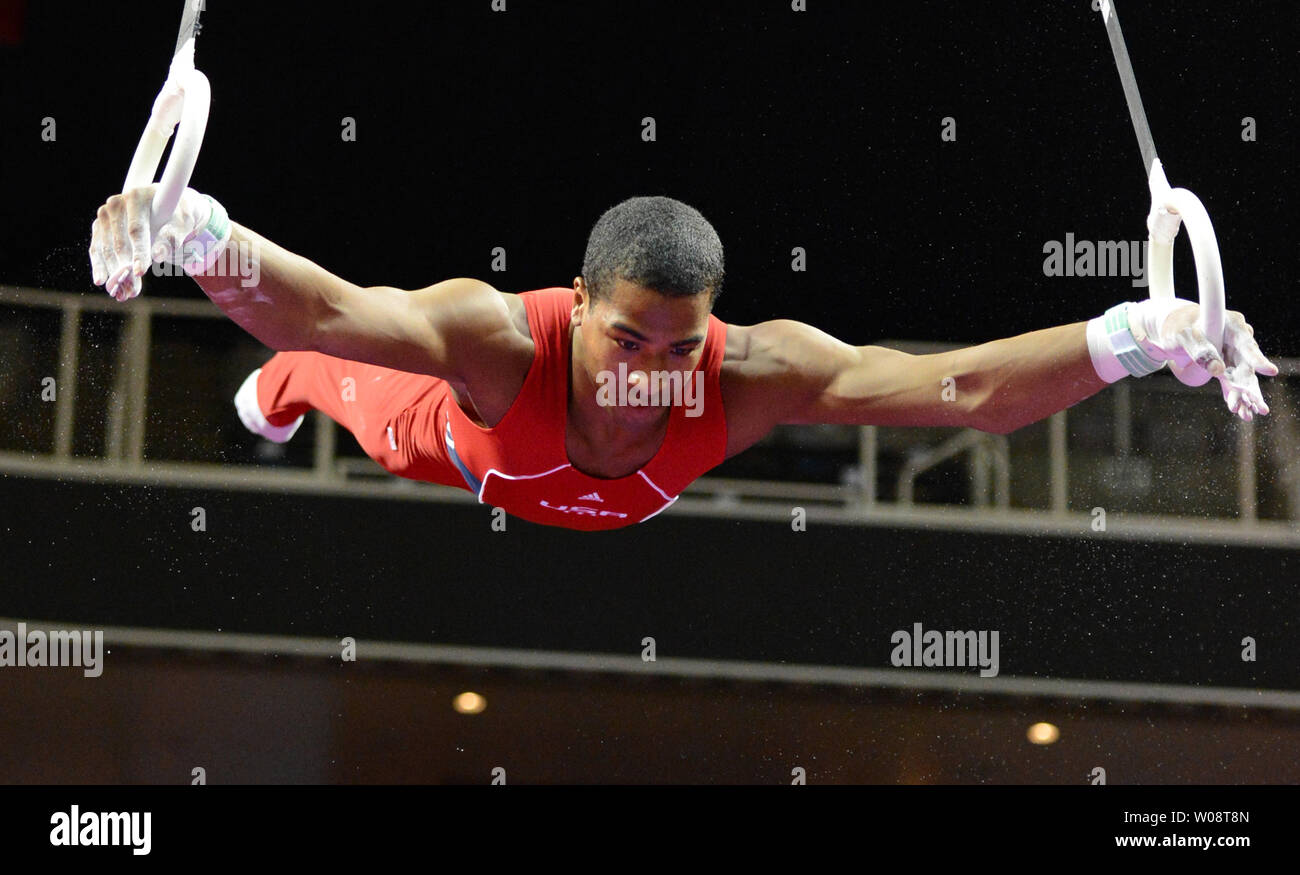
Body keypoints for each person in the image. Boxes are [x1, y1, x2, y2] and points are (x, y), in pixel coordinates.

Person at [88, 188, 1278, 530]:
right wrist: (200, 234)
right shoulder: (499, 341)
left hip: (569, 489)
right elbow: (334, 311)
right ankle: (268, 404)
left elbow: (961, 390)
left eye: (680, 340)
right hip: (452, 443)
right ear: (577, 301)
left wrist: (1127, 337)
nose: (649, 363)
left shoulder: (749, 370)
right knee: (311, 374)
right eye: (624, 337)